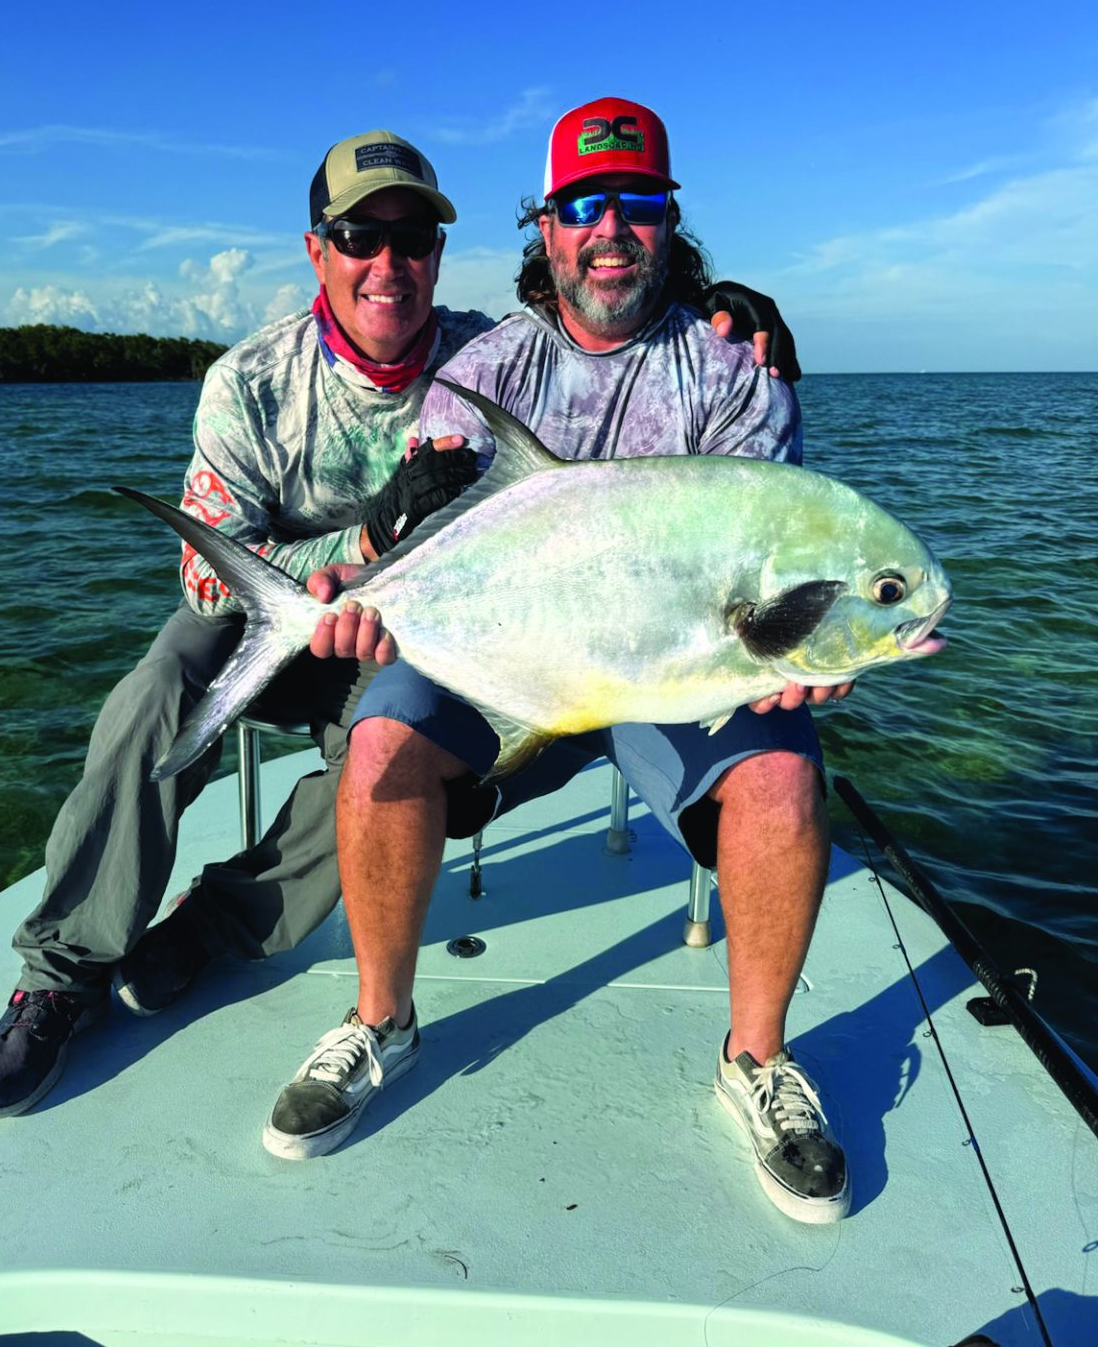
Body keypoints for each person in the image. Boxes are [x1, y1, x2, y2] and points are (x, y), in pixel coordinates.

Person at [0, 124, 794, 1121]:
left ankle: (214, 927)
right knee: (155, 694)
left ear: (440, 254)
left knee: (381, 755)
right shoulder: (252, 383)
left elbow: (596, 327)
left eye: (412, 240)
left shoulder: (483, 360)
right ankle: (60, 974)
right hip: (258, 623)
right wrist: (362, 547)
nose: (387, 262)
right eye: (360, 237)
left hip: (403, 633)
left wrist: (715, 307)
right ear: (318, 249)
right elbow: (202, 572)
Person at [266, 97, 852, 1227]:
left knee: (783, 772)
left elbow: (768, 569)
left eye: (637, 204)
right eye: (585, 207)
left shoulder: (735, 374)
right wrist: (372, 597)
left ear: (671, 225)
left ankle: (756, 1061)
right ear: (546, 228)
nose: (611, 230)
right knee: (382, 733)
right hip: (504, 660)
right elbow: (421, 530)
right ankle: (381, 1020)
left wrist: (809, 646)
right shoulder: (486, 372)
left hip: (675, 671)